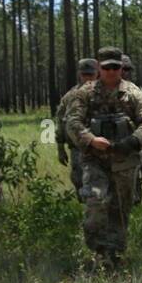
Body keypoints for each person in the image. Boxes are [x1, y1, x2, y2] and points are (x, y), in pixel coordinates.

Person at [64, 46, 142, 266]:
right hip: (95, 159)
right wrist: (90, 139)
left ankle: (113, 254)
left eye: (116, 67)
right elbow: (72, 122)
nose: (112, 72)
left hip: (125, 160)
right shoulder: (85, 94)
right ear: (99, 67)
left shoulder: (134, 93)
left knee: (121, 209)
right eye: (107, 68)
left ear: (121, 68)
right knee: (96, 200)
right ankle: (98, 250)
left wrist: (132, 141)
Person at [56, 57, 98, 200]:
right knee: (79, 177)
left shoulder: (104, 93)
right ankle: (84, 205)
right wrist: (60, 148)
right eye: (85, 74)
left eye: (90, 75)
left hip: (100, 145)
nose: (87, 78)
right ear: (79, 74)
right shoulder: (70, 96)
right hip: (77, 146)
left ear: (97, 73)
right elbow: (61, 121)